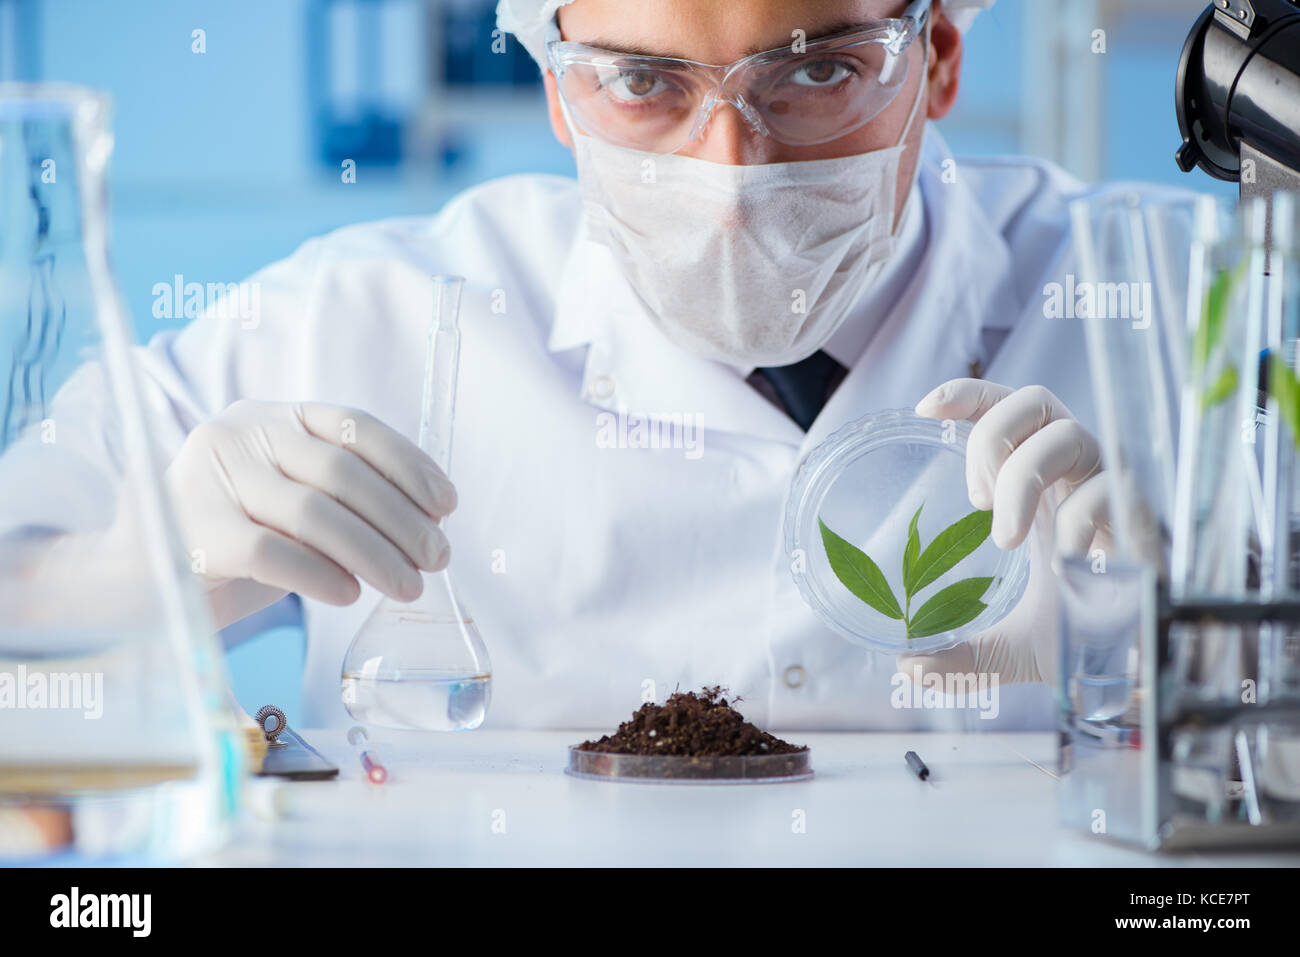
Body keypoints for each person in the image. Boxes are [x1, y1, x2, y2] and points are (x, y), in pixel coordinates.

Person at [35, 0, 1170, 729]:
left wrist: (1188, 639)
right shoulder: (352, 321)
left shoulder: (1171, 309)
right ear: (558, 97)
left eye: (816, 73)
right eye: (642, 84)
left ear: (934, 60)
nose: (730, 168)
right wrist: (147, 565)